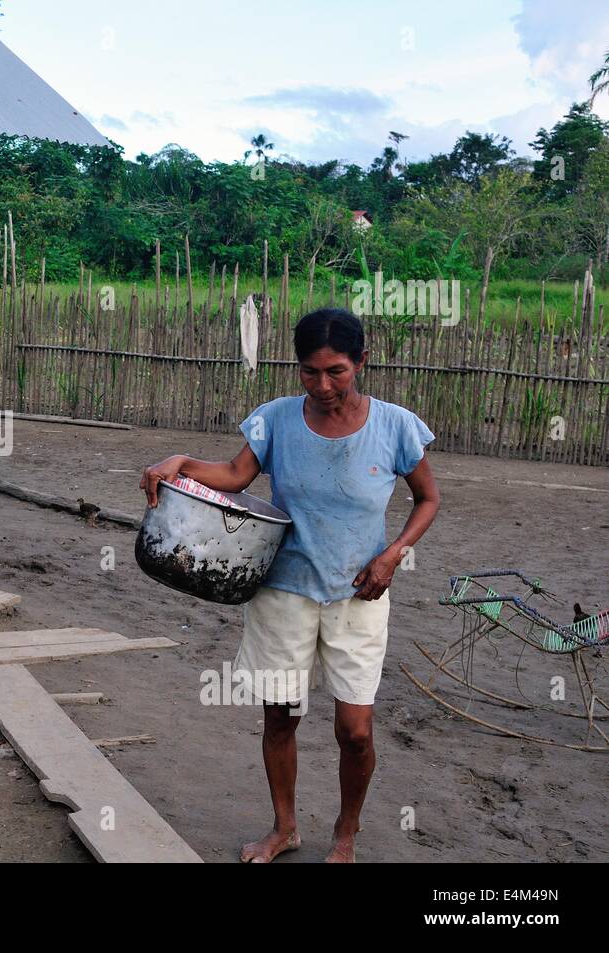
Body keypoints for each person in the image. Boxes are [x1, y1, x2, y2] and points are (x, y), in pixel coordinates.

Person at [140, 308, 441, 863]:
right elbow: (234, 477)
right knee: (280, 716)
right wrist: (179, 462)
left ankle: (345, 834)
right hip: (283, 590)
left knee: (355, 730)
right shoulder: (276, 420)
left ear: (362, 363)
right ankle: (284, 829)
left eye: (337, 371)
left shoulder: (395, 426)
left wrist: (394, 554)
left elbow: (428, 499)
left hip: (359, 593)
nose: (323, 385)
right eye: (309, 372)